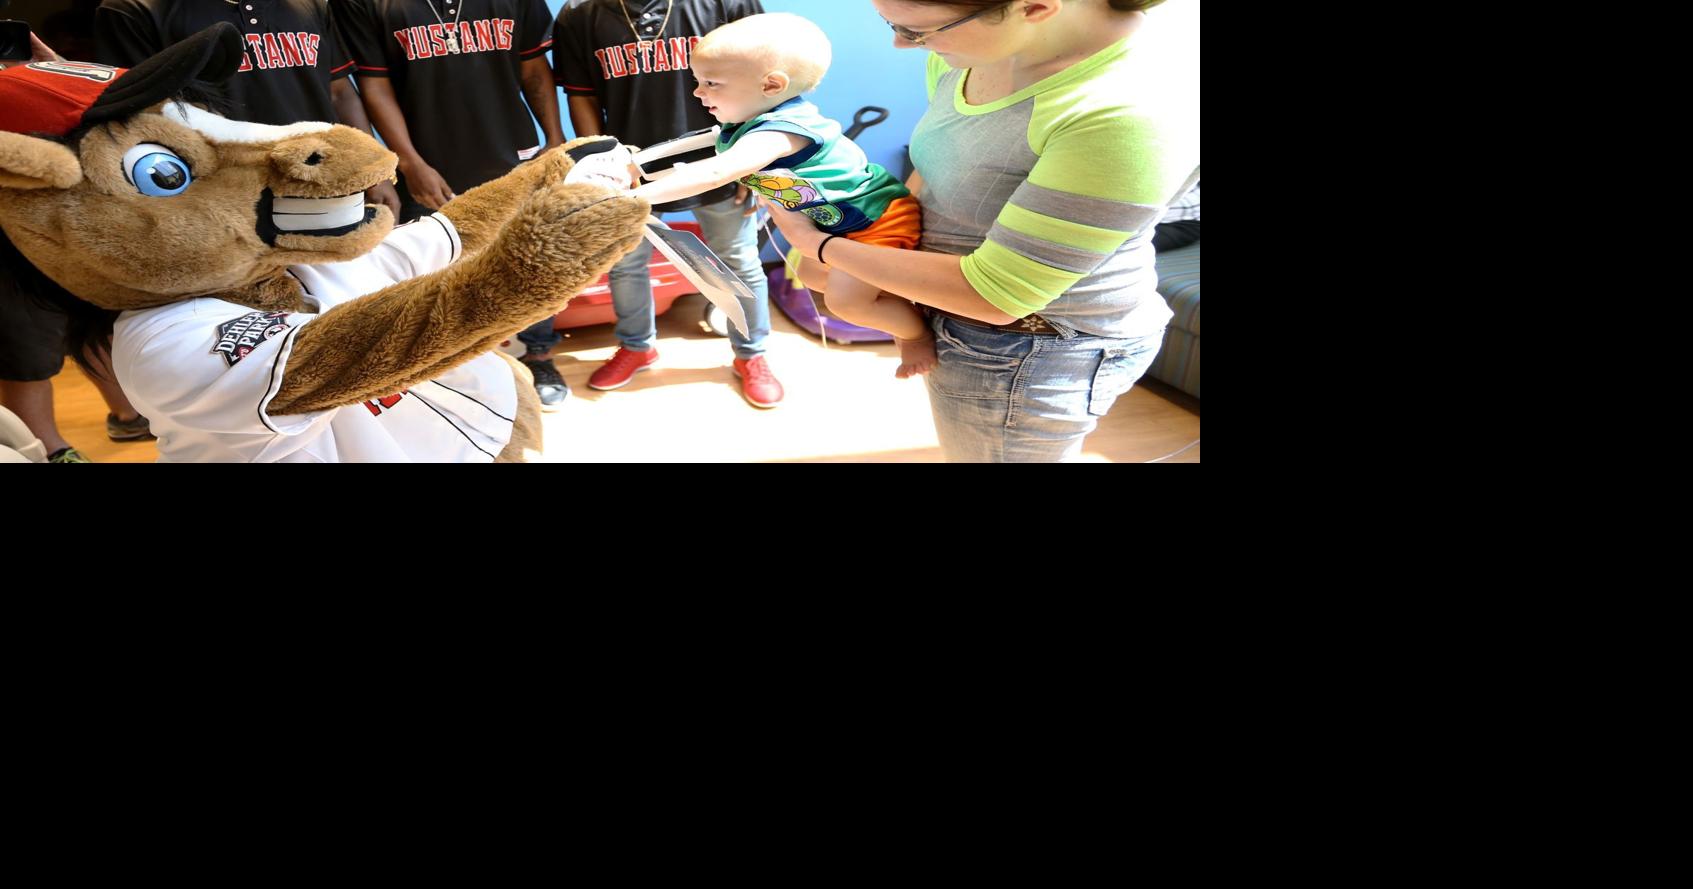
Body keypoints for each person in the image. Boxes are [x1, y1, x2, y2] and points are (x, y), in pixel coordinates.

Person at [762, 0, 1199, 461]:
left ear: (1035, 7)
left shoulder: (1128, 113)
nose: (900, 44)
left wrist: (818, 244)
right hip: (961, 323)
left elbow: (996, 295)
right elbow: (933, 174)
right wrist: (867, 242)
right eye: (891, 23)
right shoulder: (963, 58)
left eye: (918, 30)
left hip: (1029, 349)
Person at [629, 12, 933, 379]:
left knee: (845, 302)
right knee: (811, 274)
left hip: (877, 219)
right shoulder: (747, 120)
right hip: (836, 223)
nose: (697, 92)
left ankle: (914, 335)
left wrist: (633, 201)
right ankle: (887, 293)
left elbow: (716, 172)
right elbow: (703, 144)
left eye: (711, 83)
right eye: (698, 81)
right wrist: (637, 164)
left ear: (771, 85)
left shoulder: (782, 132)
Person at [550, 0, 784, 408]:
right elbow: (581, 95)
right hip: (631, 165)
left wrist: (756, 161)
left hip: (721, 159)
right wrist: (602, 161)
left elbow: (767, 81)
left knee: (737, 261)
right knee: (626, 264)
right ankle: (637, 346)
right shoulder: (580, 14)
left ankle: (751, 354)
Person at [336, 0, 568, 404]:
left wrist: (554, 137)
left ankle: (539, 354)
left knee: (531, 261)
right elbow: (374, 84)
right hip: (429, 167)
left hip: (513, 153)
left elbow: (532, 66)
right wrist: (410, 163)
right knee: (437, 278)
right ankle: (460, 378)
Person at [95, 0, 402, 216]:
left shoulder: (310, 4)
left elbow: (339, 93)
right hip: (227, 202)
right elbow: (143, 119)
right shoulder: (133, 9)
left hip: (326, 182)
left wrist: (372, 171)